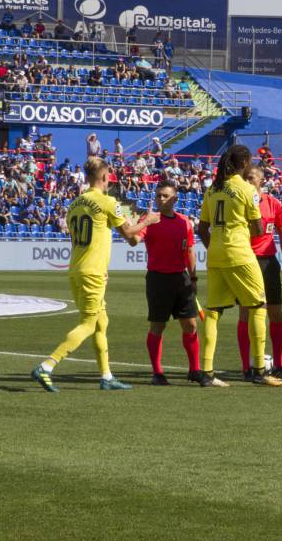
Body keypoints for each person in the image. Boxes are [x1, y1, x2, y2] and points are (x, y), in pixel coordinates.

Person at [31, 158, 158, 392]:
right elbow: (130, 236)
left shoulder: (75, 204)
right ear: (104, 177)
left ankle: (106, 376)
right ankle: (47, 366)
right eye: (109, 175)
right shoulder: (108, 202)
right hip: (93, 272)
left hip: (77, 269)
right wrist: (147, 221)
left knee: (101, 322)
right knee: (88, 324)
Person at [195, 145, 282, 387]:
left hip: (215, 255)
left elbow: (201, 228)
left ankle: (207, 372)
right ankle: (259, 370)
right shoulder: (247, 189)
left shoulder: (212, 190)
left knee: (213, 312)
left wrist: (215, 247)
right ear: (244, 163)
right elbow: (257, 228)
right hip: (240, 253)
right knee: (258, 305)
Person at [140, 181, 205, 386]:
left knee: (191, 325)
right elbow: (134, 239)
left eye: (165, 195)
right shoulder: (149, 220)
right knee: (158, 326)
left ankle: (194, 370)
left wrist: (193, 278)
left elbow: (189, 251)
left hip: (181, 278)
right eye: (158, 195)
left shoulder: (185, 222)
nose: (161, 199)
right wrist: (138, 224)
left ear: (175, 199)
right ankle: (157, 373)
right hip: (158, 279)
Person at [236, 166, 282, 382]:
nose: (248, 182)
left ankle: (278, 364)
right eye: (245, 178)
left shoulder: (274, 204)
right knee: (246, 313)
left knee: (276, 313)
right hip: (245, 261)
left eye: (252, 178)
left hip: (269, 263)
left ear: (261, 181)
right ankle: (246, 368)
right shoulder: (239, 204)